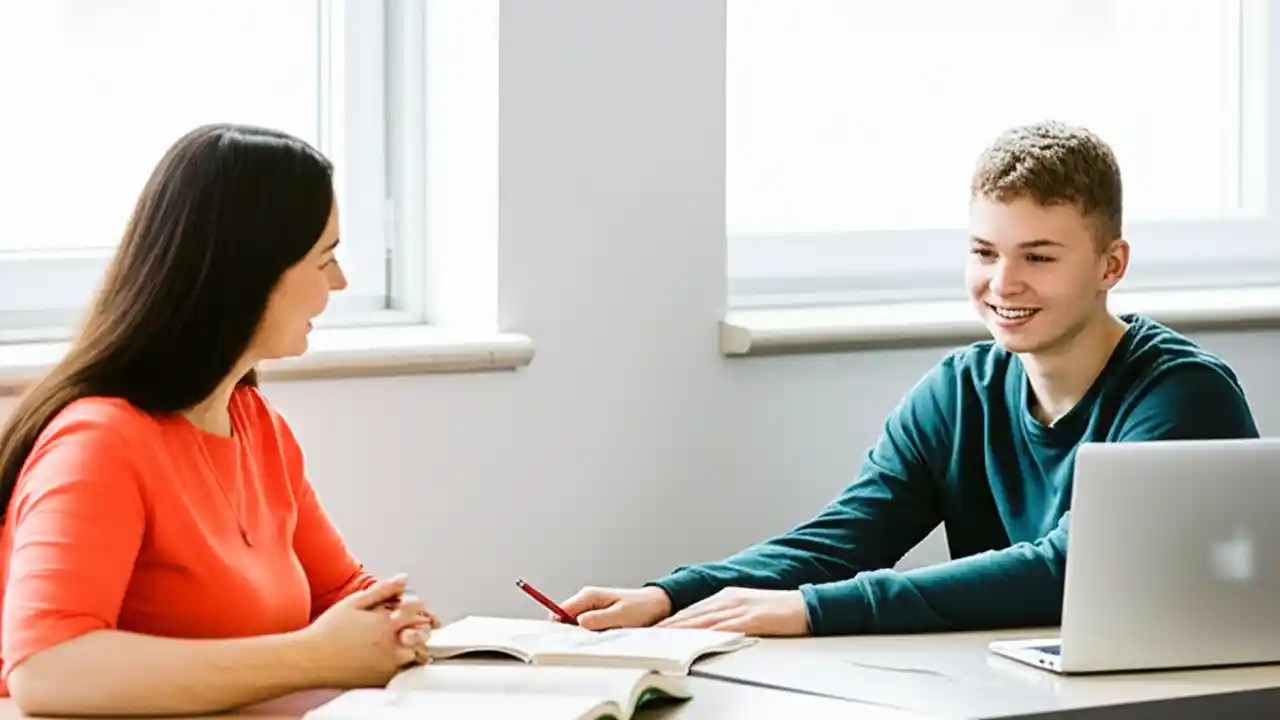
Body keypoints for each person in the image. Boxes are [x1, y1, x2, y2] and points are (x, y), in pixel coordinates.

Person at [559, 120, 1260, 637]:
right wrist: (672, 594)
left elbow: (1072, 569)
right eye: (984, 251)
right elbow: (845, 538)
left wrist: (813, 609)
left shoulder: (1183, 397)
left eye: (1039, 257)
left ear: (1112, 265)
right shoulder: (958, 392)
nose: (1003, 282)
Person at [0, 124, 437, 715]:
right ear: (248, 273)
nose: (340, 283)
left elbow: (339, 594)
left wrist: (389, 623)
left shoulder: (257, 427)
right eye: (325, 259)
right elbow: (46, 671)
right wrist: (314, 656)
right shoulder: (100, 441)